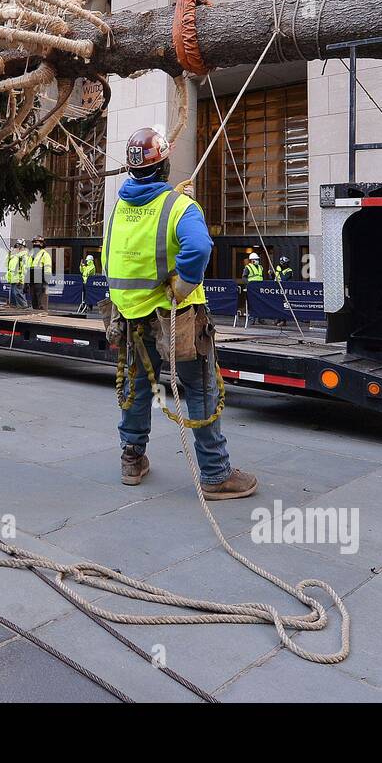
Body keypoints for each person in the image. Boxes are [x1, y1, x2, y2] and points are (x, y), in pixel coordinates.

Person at [103, 128, 256, 499]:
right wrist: (183, 285)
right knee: (201, 390)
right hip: (178, 318)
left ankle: (132, 459)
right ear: (165, 165)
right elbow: (199, 247)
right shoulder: (180, 207)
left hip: (132, 320)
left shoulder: (120, 208)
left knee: (138, 390)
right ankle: (216, 475)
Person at [27, 235, 52, 310]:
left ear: (42, 244)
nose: (35, 244)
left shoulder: (45, 254)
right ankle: (35, 313)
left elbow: (47, 268)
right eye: (34, 242)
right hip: (32, 279)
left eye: (37, 242)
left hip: (40, 279)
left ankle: (42, 316)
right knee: (34, 299)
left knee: (41, 301)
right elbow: (28, 268)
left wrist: (45, 281)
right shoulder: (31, 254)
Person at [6, 239, 29, 308]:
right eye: (17, 245)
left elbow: (25, 269)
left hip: (18, 279)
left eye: (19, 246)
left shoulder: (24, 256)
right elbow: (6, 264)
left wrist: (21, 279)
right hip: (13, 278)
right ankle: (16, 307)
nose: (17, 247)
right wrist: (10, 254)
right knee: (14, 294)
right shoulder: (14, 256)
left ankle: (24, 307)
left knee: (18, 293)